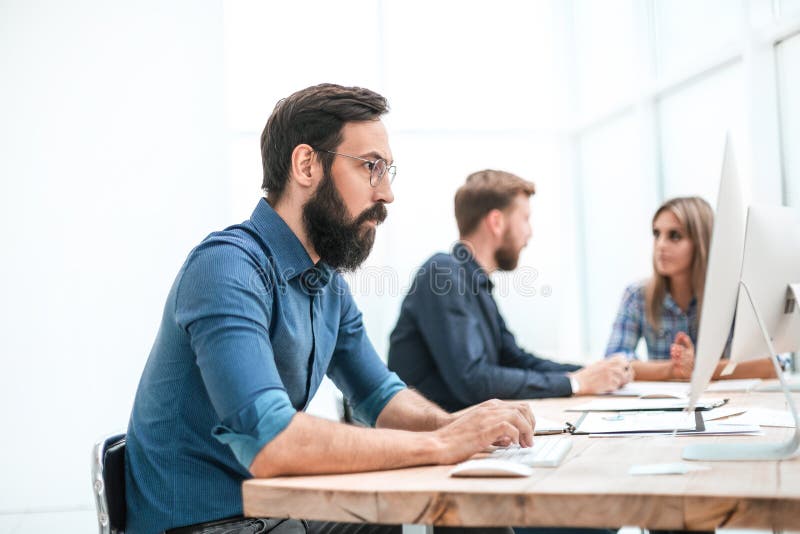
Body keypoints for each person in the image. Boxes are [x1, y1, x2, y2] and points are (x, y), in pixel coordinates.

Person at [125, 84, 533, 534]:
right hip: (211, 524)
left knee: (446, 513)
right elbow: (271, 439)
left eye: (388, 171)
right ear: (306, 166)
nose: (387, 194)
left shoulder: (328, 285)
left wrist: (457, 424)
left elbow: (379, 396)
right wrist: (440, 442)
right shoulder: (227, 267)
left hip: (272, 510)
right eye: (371, 168)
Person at [387, 170, 632, 413]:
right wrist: (576, 383)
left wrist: (589, 372)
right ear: (496, 222)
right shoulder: (443, 273)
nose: (530, 232)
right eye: (525, 218)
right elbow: (473, 381)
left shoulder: (475, 282)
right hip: (424, 439)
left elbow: (514, 359)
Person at [605, 196, 776, 380]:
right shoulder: (637, 295)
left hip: (729, 403)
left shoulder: (737, 295)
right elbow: (612, 364)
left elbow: (771, 364)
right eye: (657, 234)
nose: (661, 245)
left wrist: (698, 369)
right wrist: (672, 369)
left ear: (702, 241)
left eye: (675, 236)